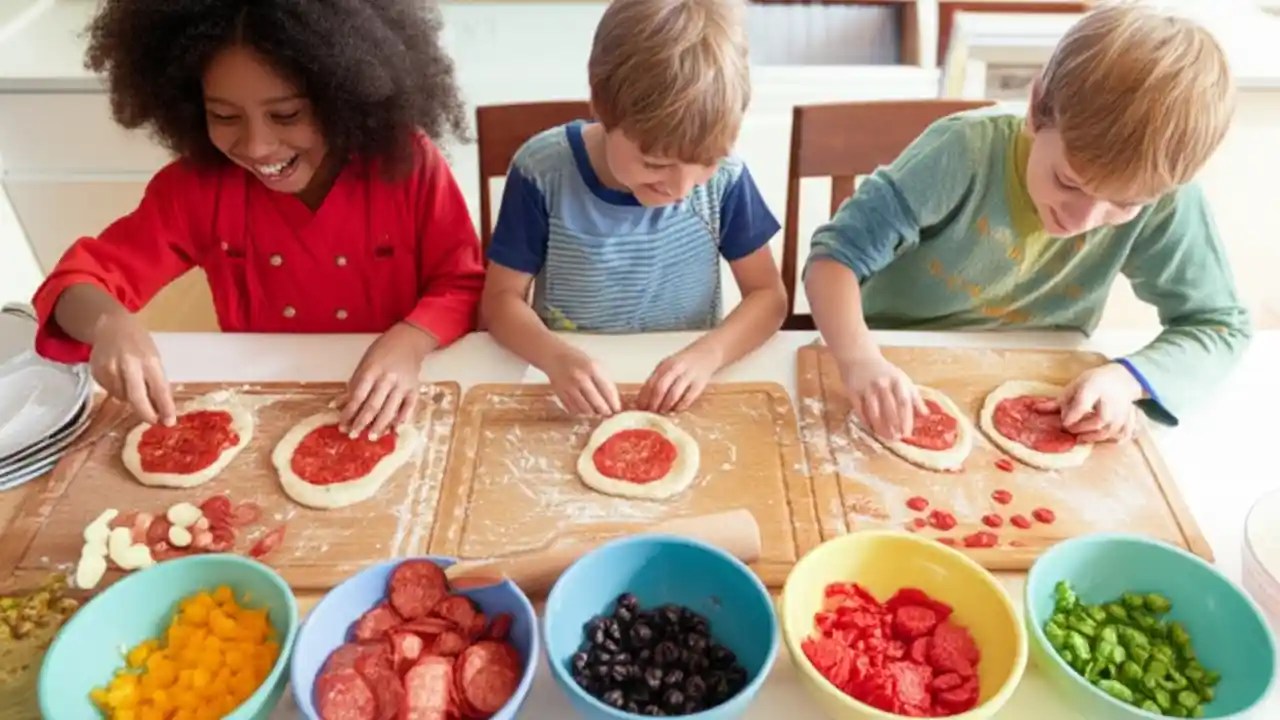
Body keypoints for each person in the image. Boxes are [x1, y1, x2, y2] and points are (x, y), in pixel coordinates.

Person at [31, 0, 484, 440]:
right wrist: (108, 324)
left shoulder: (407, 164)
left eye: (286, 115)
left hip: (401, 393)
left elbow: (461, 281)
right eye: (224, 116)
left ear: (344, 97)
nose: (257, 145)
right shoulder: (196, 189)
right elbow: (77, 281)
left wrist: (411, 340)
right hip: (263, 401)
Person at [804, 3, 1249, 442]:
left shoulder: (1163, 195)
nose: (1081, 219)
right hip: (891, 356)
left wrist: (1126, 380)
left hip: (1043, 380)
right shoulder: (962, 151)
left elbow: (1219, 326)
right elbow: (832, 260)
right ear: (1037, 109)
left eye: (1123, 205)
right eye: (1068, 181)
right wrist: (860, 359)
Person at [481, 0, 787, 416]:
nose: (681, 189)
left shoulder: (727, 180)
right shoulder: (541, 173)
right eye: (655, 164)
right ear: (602, 106)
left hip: (682, 393)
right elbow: (500, 301)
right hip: (573, 392)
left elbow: (768, 296)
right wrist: (553, 357)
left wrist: (709, 354)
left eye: (706, 163)